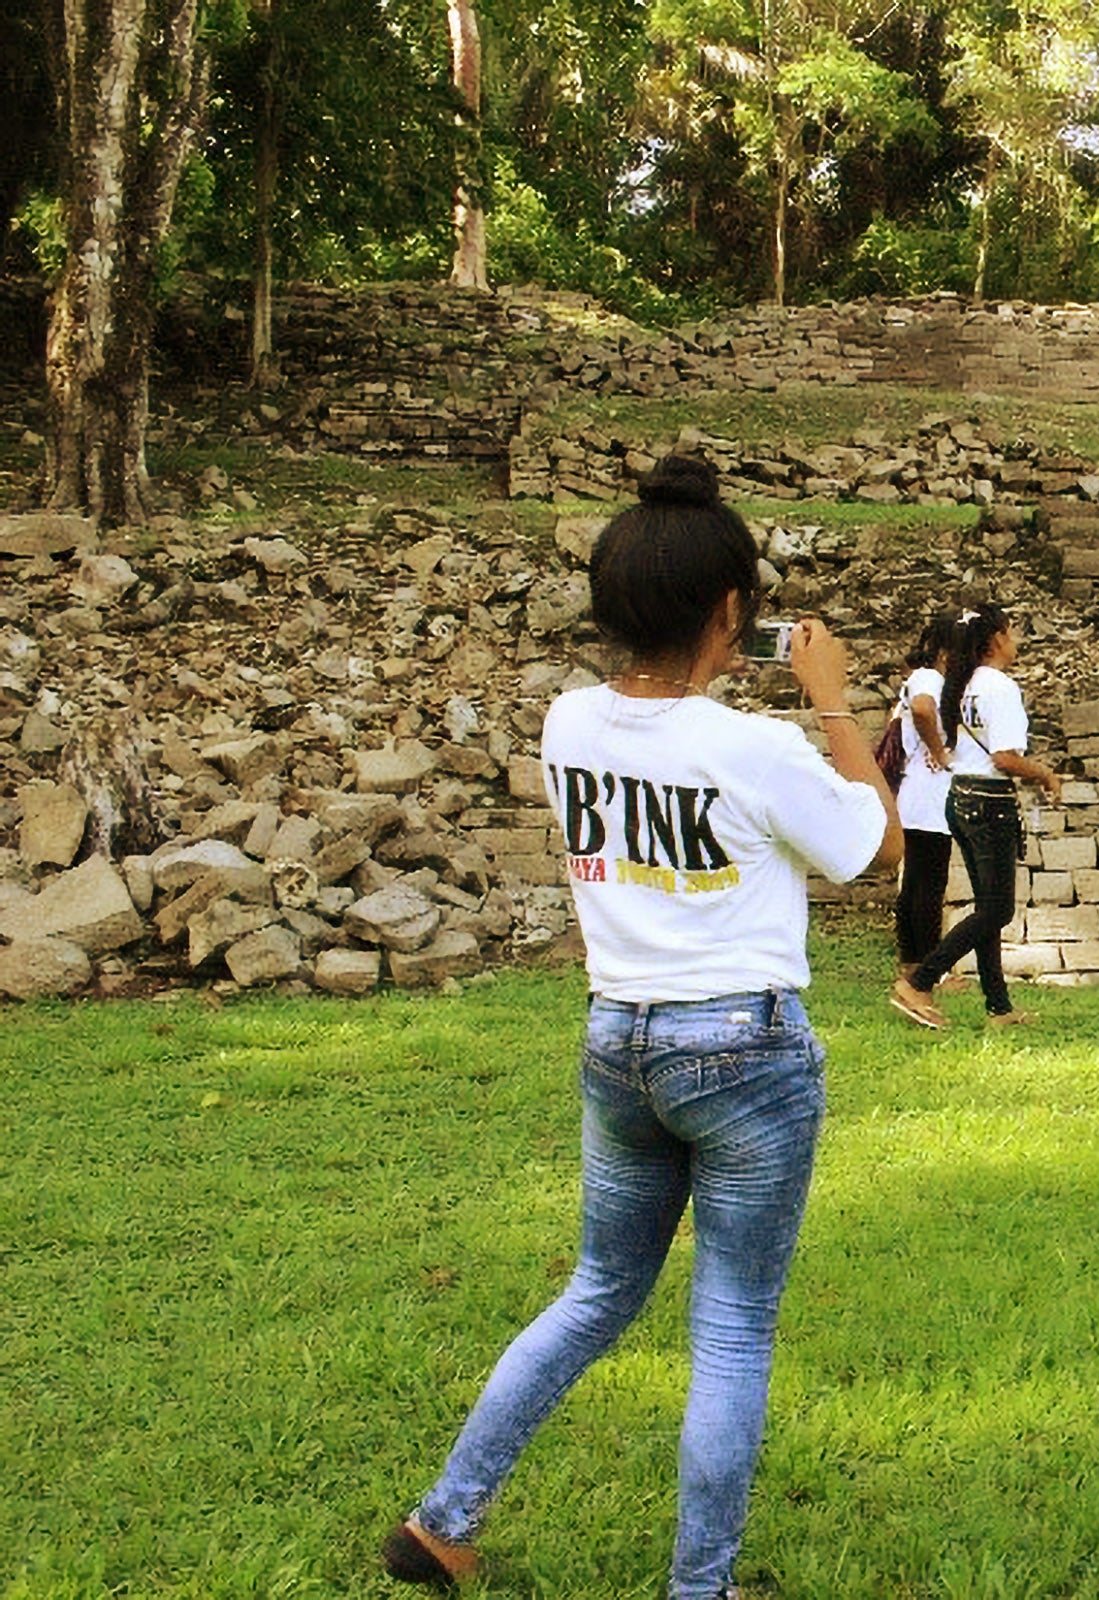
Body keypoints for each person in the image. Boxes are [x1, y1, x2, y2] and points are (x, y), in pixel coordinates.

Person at [379, 455, 901, 1600]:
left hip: (619, 1037)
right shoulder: (755, 747)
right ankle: (697, 1588)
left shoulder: (568, 722)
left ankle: (445, 1519)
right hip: (747, 1051)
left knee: (597, 1288)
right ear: (732, 612)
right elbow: (881, 850)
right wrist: (833, 700)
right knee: (731, 1331)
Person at [888, 601, 1062, 1029]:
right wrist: (1044, 773)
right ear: (998, 638)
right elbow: (1004, 757)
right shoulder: (999, 687)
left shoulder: (960, 684)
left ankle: (998, 1007)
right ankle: (922, 981)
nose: (1016, 640)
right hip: (990, 799)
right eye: (1013, 631)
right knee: (997, 910)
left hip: (960, 795)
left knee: (988, 904)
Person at [892, 617, 956, 984]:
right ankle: (928, 971)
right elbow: (921, 709)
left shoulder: (919, 677)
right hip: (930, 792)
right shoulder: (929, 678)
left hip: (917, 791)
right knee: (929, 882)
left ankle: (912, 963)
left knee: (916, 880)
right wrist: (940, 748)